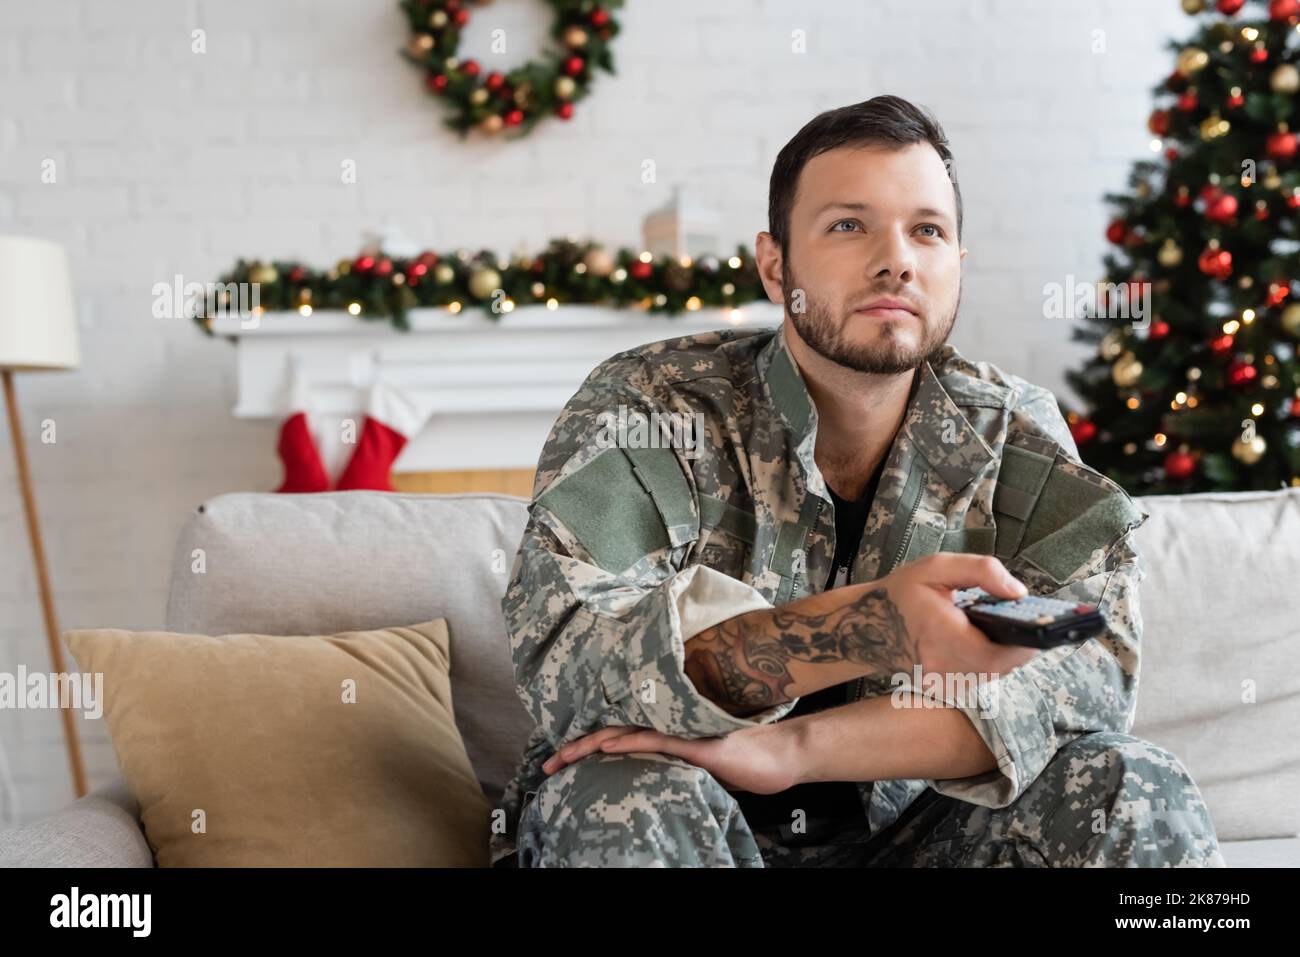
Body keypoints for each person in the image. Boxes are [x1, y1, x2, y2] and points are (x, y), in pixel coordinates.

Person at [490, 94, 1224, 868]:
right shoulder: (654, 405)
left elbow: (1085, 685)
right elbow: (576, 666)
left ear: (956, 265)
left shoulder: (1012, 431)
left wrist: (795, 747)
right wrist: (874, 625)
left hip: (911, 839)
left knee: (1130, 782)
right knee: (623, 790)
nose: (896, 258)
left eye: (927, 231)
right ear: (776, 266)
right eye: (849, 224)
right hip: (679, 820)